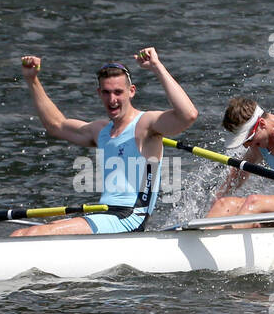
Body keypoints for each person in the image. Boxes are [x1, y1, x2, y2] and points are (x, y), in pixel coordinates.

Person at [13, 47, 197, 237]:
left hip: (131, 217)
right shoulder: (100, 131)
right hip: (105, 213)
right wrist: (32, 79)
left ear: (131, 91)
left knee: (35, 233)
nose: (112, 100)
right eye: (106, 92)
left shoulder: (146, 125)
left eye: (118, 92)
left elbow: (188, 115)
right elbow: (56, 125)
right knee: (20, 233)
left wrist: (157, 67)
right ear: (99, 93)